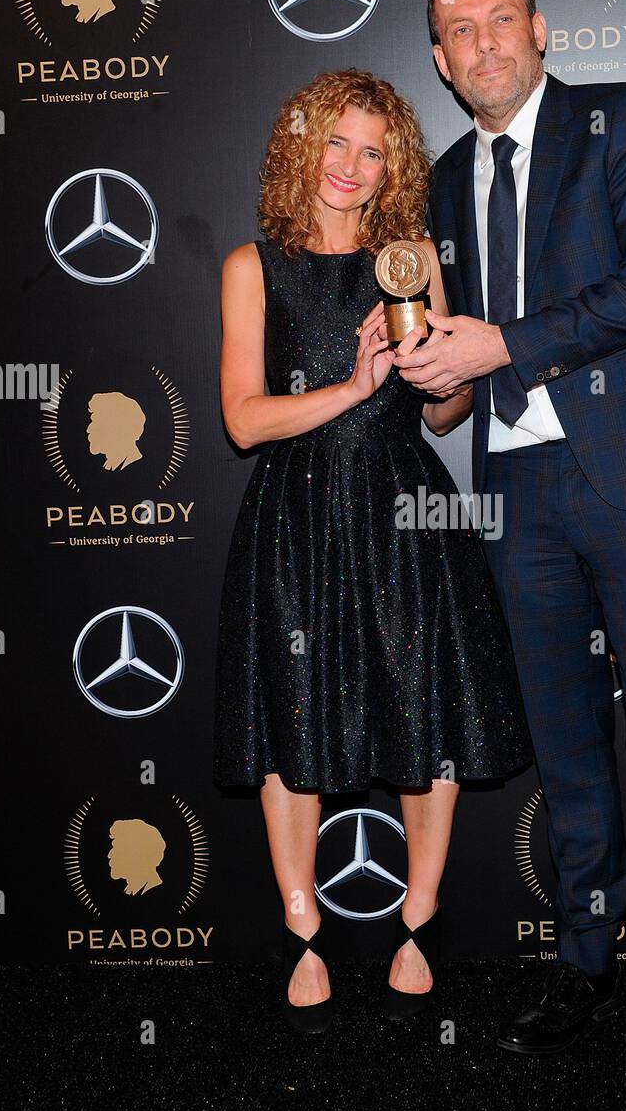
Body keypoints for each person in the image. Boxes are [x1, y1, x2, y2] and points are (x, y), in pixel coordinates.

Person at [393, 0, 626, 1080]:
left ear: (542, 29)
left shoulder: (622, 120)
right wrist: (425, 373)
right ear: (444, 65)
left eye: (502, 19)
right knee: (567, 752)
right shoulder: (445, 186)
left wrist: (499, 343)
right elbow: (459, 394)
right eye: (459, 31)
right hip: (518, 498)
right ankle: (584, 960)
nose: (484, 43)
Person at [212, 68, 533, 1032]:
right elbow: (241, 419)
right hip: (296, 516)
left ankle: (419, 918)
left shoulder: (412, 261)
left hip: (406, 514)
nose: (352, 166)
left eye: (374, 149)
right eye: (337, 144)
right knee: (291, 724)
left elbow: (444, 413)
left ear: (393, 165)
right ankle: (302, 927)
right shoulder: (251, 267)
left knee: (423, 711)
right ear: (300, 149)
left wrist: (439, 366)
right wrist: (351, 388)